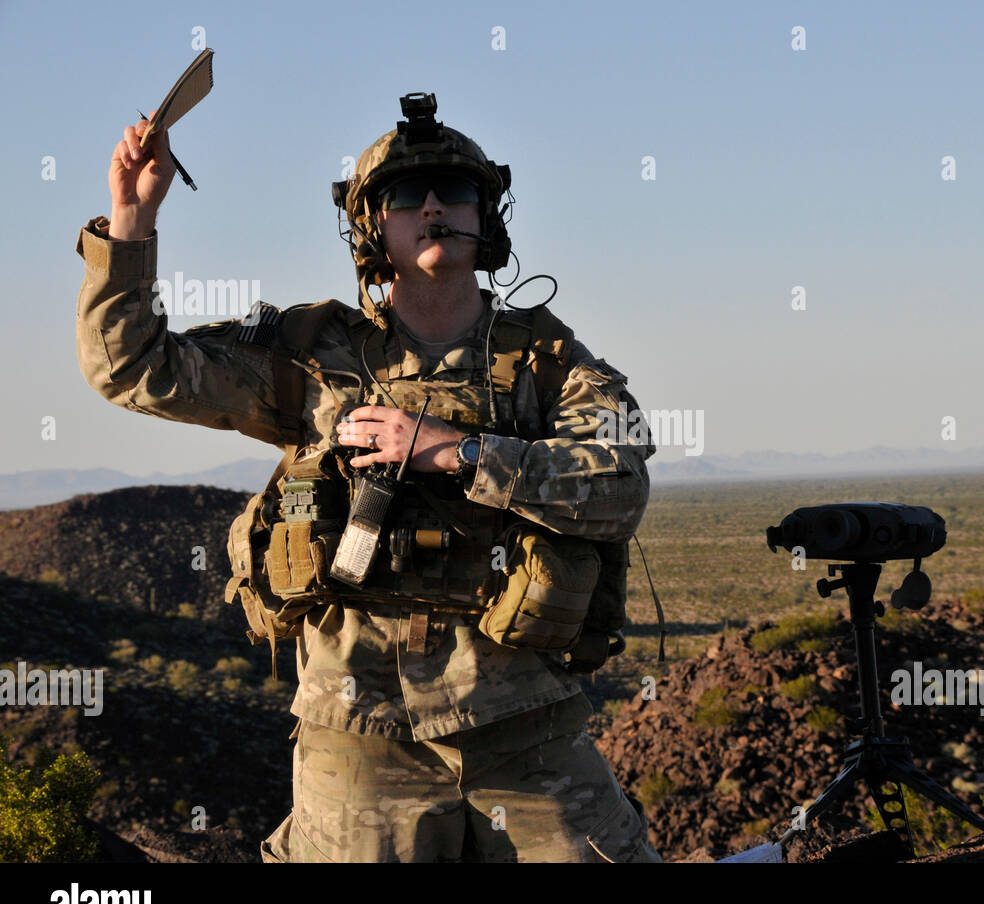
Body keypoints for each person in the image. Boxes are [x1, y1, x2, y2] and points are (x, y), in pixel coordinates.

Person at [75, 93, 662, 862]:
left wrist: (458, 450)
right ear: (369, 224)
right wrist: (132, 221)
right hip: (359, 735)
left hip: (525, 729)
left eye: (455, 191)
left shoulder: (547, 364)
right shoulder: (313, 354)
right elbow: (132, 367)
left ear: (486, 217)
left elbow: (620, 482)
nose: (431, 206)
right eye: (402, 195)